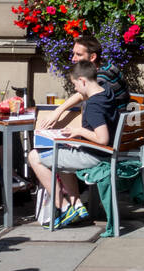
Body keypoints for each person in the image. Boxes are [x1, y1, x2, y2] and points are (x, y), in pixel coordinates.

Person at [28, 58, 125, 230]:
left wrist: (79, 131)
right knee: (64, 150)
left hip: (95, 155)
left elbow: (102, 138)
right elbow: (83, 94)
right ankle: (77, 206)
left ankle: (64, 207)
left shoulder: (94, 105)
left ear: (82, 80)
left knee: (34, 156)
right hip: (103, 152)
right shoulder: (106, 91)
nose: (75, 89)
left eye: (74, 84)